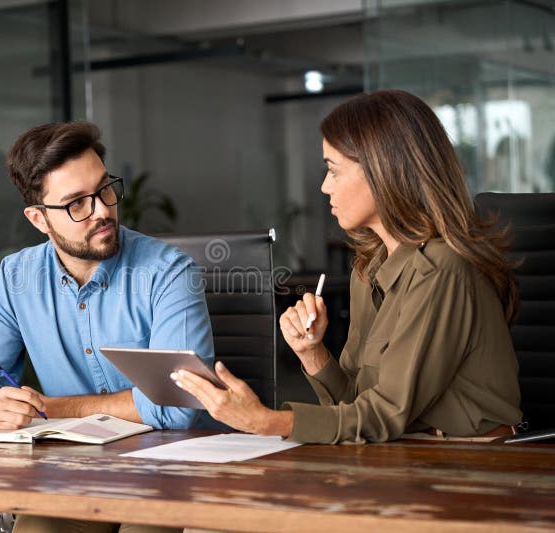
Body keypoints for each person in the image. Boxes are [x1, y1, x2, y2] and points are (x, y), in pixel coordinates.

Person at [171, 89, 522, 444]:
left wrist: (267, 422)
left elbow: (385, 414)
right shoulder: (368, 268)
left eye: (333, 171)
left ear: (385, 171)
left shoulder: (441, 271)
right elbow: (356, 403)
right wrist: (313, 354)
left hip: (472, 458)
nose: (325, 187)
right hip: (404, 453)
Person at [0, 120, 213, 533]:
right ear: (38, 219)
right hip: (75, 472)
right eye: (76, 204)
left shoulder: (168, 272)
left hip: (170, 469)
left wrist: (50, 408)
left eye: (104, 189)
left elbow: (177, 404)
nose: (102, 210)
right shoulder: (17, 279)